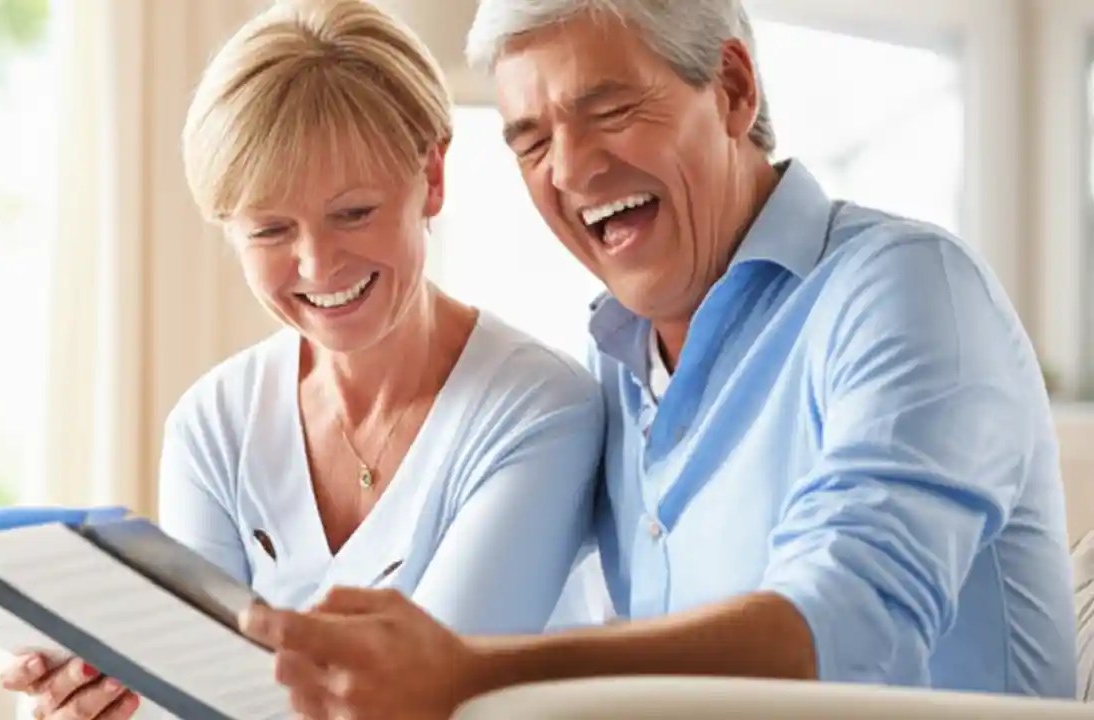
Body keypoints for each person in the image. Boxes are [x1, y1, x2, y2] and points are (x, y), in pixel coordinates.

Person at [246, 0, 1079, 717]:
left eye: (608, 111)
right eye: (531, 143)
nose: (571, 168)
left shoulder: (902, 290)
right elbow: (569, 627)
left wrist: (469, 673)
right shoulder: (612, 368)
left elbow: (844, 627)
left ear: (733, 89)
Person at [0, 1, 607, 717]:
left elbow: (426, 698)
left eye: (354, 213)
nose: (318, 263)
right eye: (271, 229)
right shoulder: (213, 425)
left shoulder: (541, 409)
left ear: (432, 176)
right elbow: (200, 703)